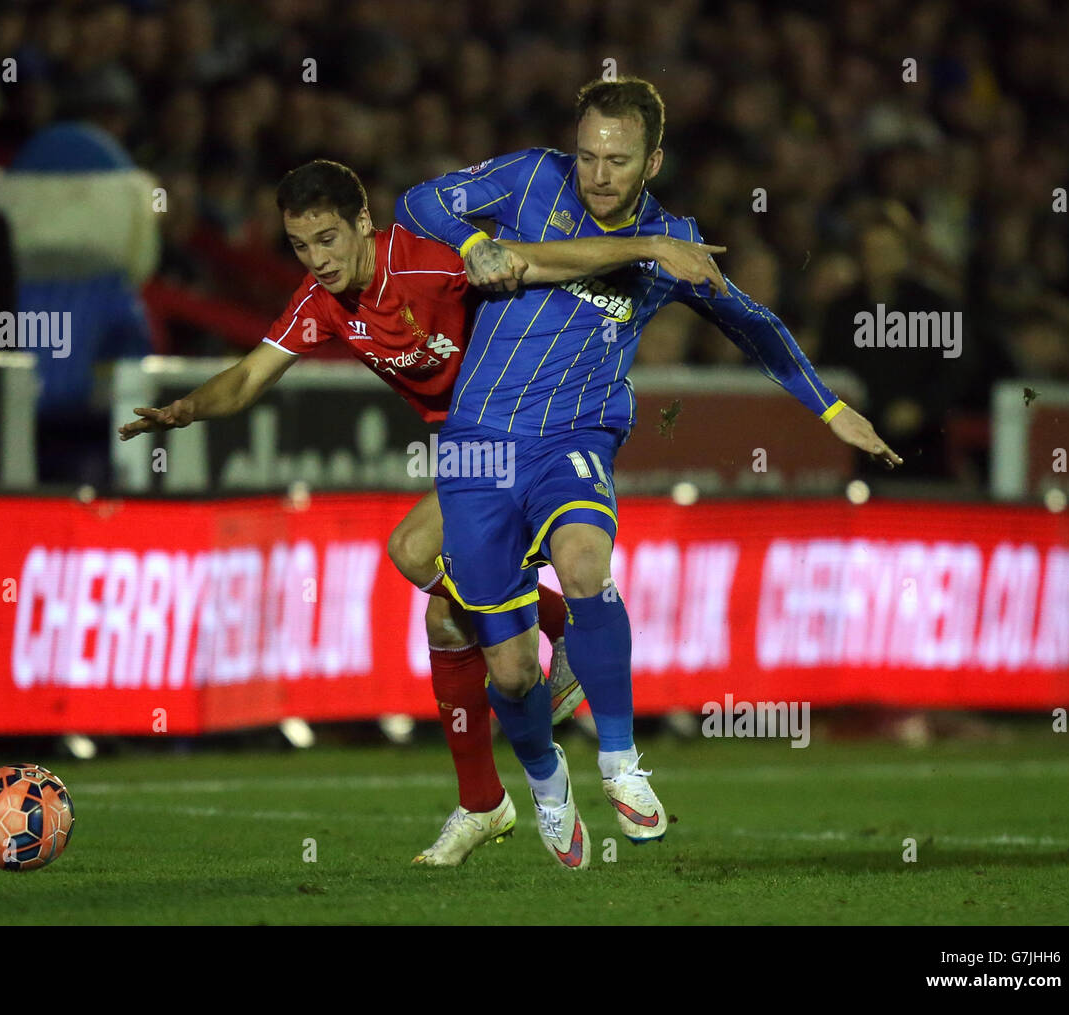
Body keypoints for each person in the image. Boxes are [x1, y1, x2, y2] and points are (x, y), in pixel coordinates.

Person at [118, 158, 729, 865]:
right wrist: (188, 408)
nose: (317, 260)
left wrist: (644, 249)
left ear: (364, 224)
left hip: (531, 430)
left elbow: (539, 263)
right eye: (300, 246)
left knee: (413, 553)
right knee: (445, 614)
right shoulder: (321, 304)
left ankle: (549, 673)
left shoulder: (431, 261)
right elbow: (252, 372)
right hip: (472, 458)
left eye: (327, 239)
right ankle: (486, 798)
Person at [397, 77, 902, 870]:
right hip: (477, 445)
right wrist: (473, 246)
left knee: (588, 564)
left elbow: (753, 323)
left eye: (619, 160)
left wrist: (831, 411)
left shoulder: (673, 243)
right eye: (590, 154)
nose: (599, 174)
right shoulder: (531, 178)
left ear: (653, 159)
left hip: (576, 434)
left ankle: (623, 766)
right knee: (513, 669)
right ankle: (547, 782)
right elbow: (417, 202)